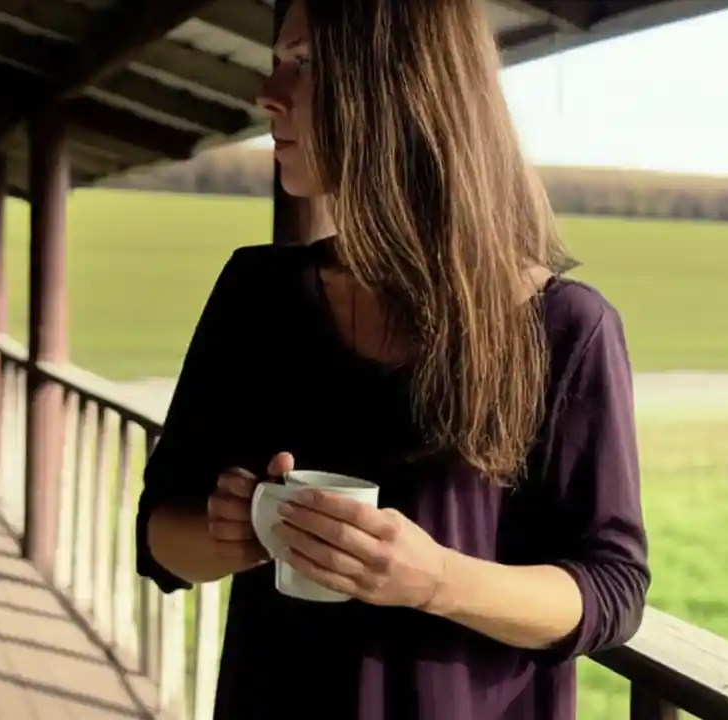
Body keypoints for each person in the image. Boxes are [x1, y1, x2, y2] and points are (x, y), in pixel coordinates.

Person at [134, 0, 650, 718]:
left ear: (401, 83)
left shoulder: (566, 328)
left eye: (304, 63)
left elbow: (612, 590)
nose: (268, 94)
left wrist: (432, 577)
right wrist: (236, 534)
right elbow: (161, 538)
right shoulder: (258, 296)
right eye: (278, 62)